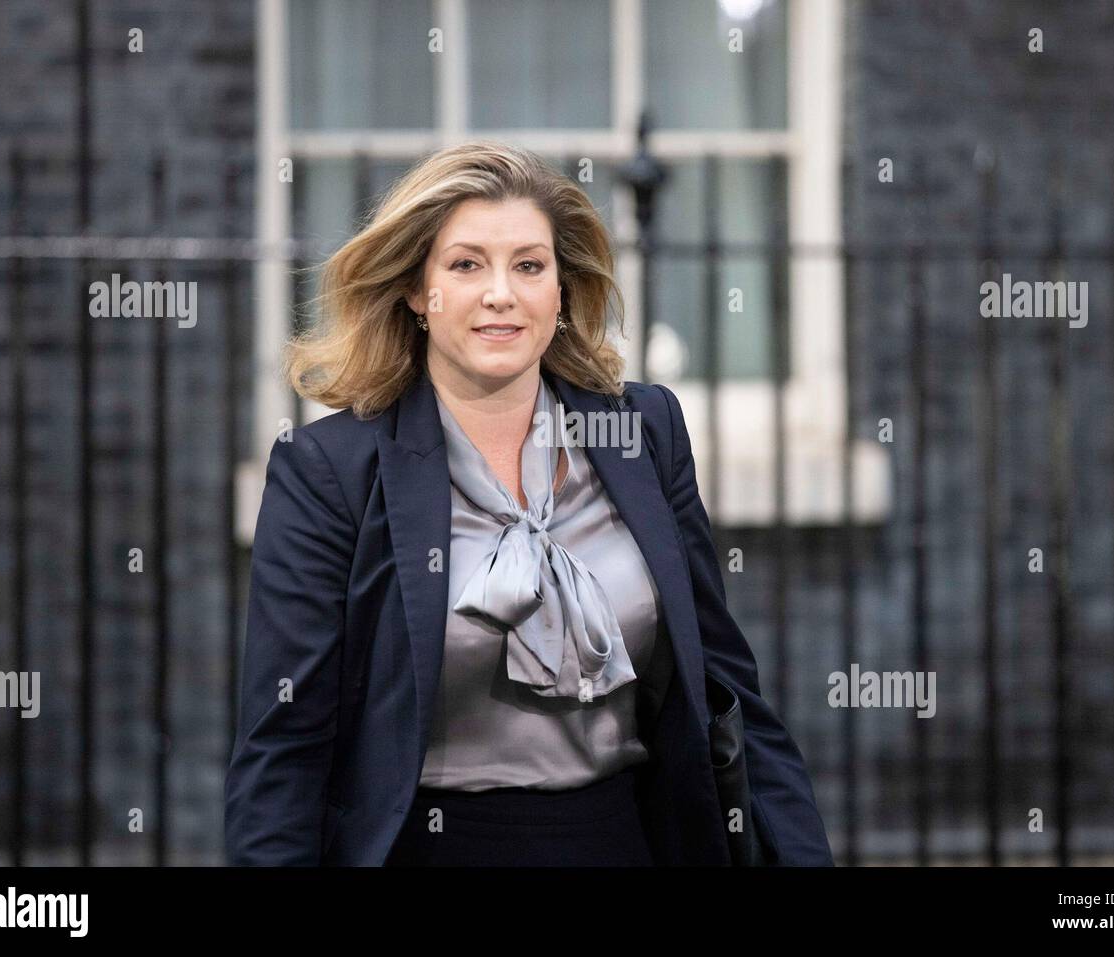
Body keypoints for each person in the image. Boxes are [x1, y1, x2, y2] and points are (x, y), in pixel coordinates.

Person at [224, 141, 833, 866]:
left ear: (562, 290)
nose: (501, 293)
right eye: (466, 264)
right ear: (419, 291)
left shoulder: (644, 433)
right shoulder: (329, 472)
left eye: (529, 265)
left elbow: (727, 688)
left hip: (626, 842)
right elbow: (285, 746)